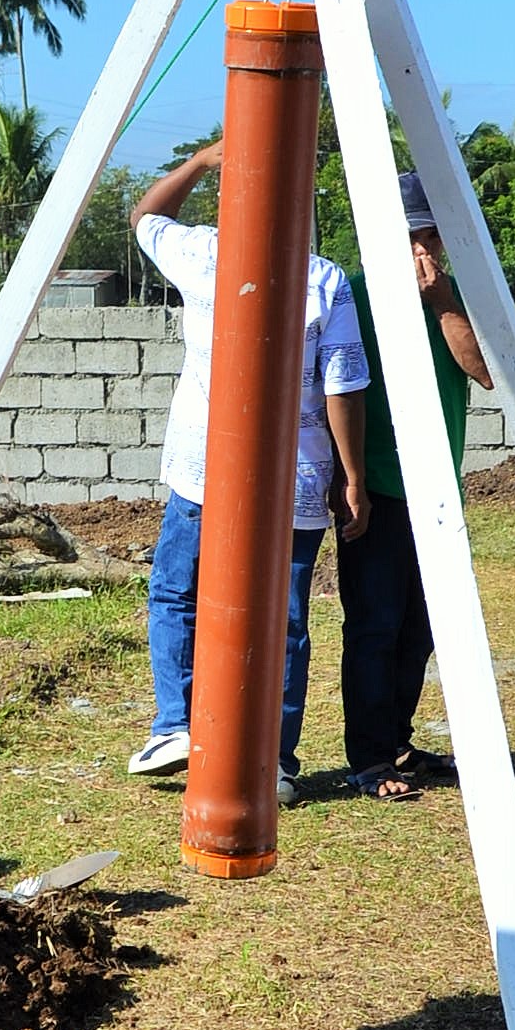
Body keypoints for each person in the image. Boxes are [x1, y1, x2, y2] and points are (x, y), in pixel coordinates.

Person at [125, 133, 369, 795]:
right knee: (283, 619)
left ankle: (178, 722)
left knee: (179, 593)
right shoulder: (323, 279)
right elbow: (341, 385)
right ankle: (274, 761)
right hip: (298, 476)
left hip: (203, 471)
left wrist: (203, 160)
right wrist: (353, 475)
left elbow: (145, 216)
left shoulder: (203, 254)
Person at [339, 169, 492, 797]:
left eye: (430, 234)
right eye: (409, 236)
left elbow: (483, 371)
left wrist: (441, 299)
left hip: (436, 491)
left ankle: (396, 741)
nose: (422, 249)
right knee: (373, 625)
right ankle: (369, 757)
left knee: (422, 626)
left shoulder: (455, 299)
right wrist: (345, 481)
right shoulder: (349, 296)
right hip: (372, 488)